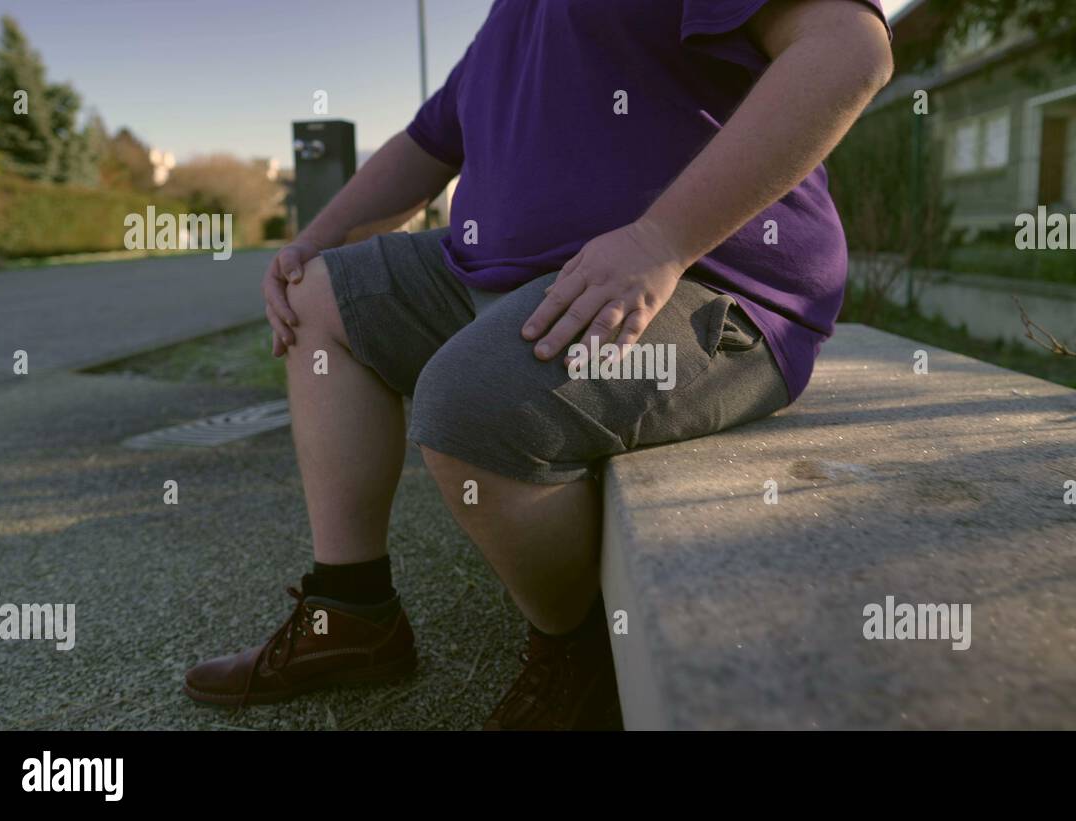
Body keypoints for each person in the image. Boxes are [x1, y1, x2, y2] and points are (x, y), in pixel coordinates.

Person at [183, 0, 892, 730]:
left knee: (472, 406)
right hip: (499, 274)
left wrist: (661, 239)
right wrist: (312, 241)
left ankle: (579, 655)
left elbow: (849, 49)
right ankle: (351, 610)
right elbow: (425, 145)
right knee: (316, 296)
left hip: (707, 280)